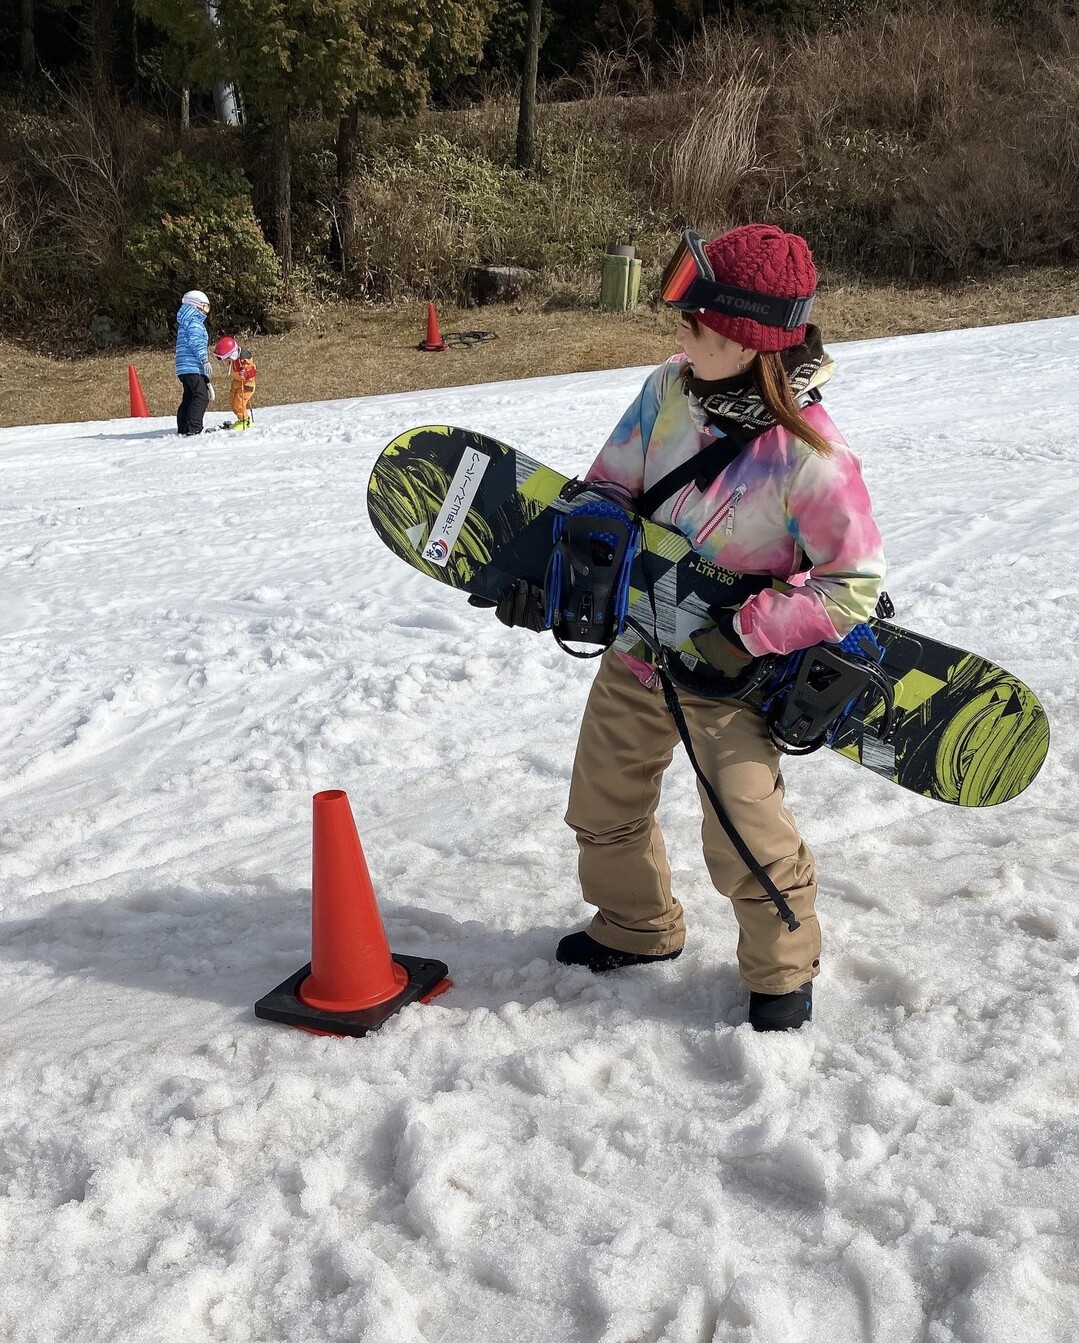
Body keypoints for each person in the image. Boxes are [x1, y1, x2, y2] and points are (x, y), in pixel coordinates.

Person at [489, 224, 886, 1030]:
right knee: (601, 805)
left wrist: (744, 633)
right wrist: (558, 578)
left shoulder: (811, 458)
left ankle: (781, 970)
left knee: (744, 830)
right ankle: (635, 927)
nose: (678, 334)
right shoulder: (667, 390)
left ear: (742, 339)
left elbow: (851, 586)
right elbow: (606, 488)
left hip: (729, 676)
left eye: (693, 323)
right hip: (638, 647)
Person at [175, 289, 214, 435]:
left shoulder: (185, 321)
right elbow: (196, 342)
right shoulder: (194, 322)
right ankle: (194, 428)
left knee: (189, 396)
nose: (205, 312)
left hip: (184, 367)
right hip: (192, 366)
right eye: (204, 307)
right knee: (201, 396)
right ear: (195, 305)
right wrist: (204, 360)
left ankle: (184, 427)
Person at [212, 335, 257, 430]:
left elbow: (253, 371)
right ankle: (242, 418)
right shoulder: (234, 359)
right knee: (232, 402)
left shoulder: (244, 359)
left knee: (239, 404)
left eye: (228, 358)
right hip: (236, 382)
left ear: (232, 354)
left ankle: (245, 421)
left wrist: (245, 374)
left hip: (246, 384)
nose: (227, 361)